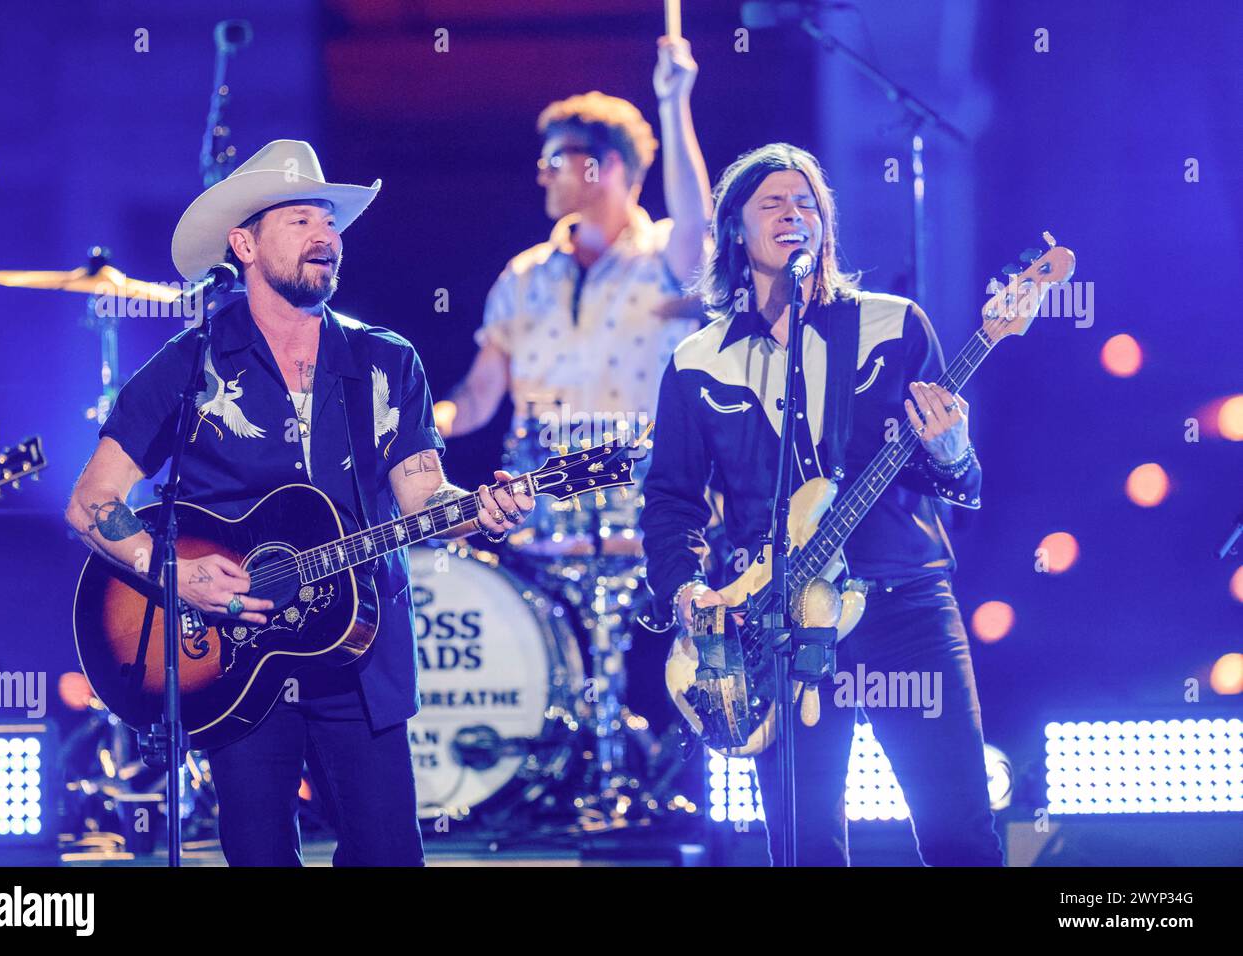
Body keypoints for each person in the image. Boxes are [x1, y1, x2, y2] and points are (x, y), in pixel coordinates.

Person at [64, 140, 532, 866]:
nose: (325, 237)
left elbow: (421, 495)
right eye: (300, 220)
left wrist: (480, 507)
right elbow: (92, 499)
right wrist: (173, 572)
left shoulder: (385, 360)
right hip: (231, 656)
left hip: (360, 650)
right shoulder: (191, 365)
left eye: (330, 222)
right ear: (243, 244)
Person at [640, 143, 1004, 866]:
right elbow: (671, 500)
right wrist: (686, 589)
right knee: (804, 846)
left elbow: (956, 487)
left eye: (806, 202)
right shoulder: (696, 362)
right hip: (776, 622)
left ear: (826, 228)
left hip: (905, 605)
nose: (792, 213)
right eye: (771, 203)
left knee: (958, 828)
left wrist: (952, 450)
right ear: (734, 231)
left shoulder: (893, 325)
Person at [435, 36, 712, 448]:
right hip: (542, 502)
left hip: (645, 499)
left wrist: (673, 104)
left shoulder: (664, 257)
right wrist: (421, 428)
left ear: (607, 164)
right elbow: (478, 395)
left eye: (556, 161)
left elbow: (695, 220)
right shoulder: (524, 275)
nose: (543, 174)